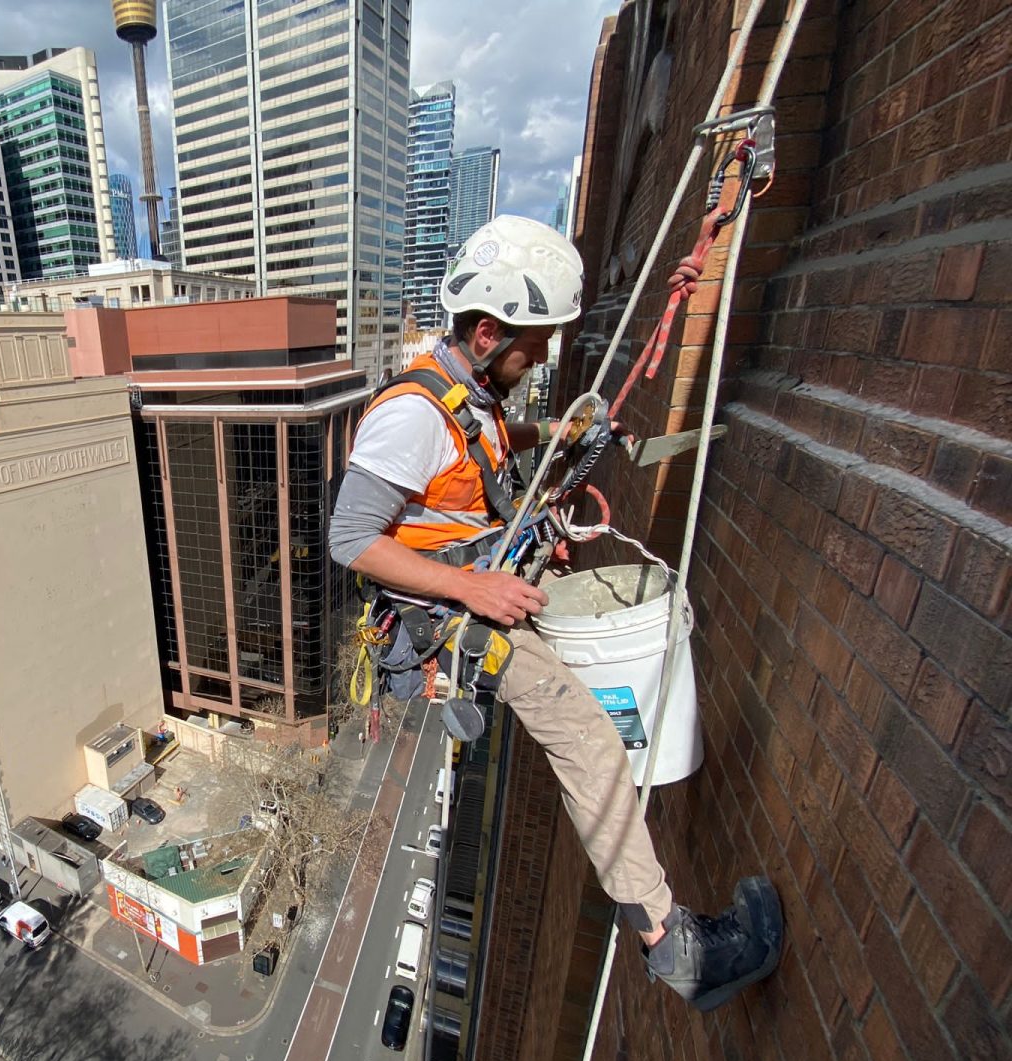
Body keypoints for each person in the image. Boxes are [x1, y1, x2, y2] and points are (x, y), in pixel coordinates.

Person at [328, 215, 783, 1011]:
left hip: (479, 596)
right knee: (589, 746)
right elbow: (350, 537)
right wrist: (475, 588)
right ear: (483, 331)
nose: (538, 356)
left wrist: (558, 432)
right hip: (455, 624)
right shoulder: (411, 414)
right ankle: (676, 949)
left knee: (593, 729)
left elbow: (485, 453)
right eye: (529, 343)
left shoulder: (471, 396)